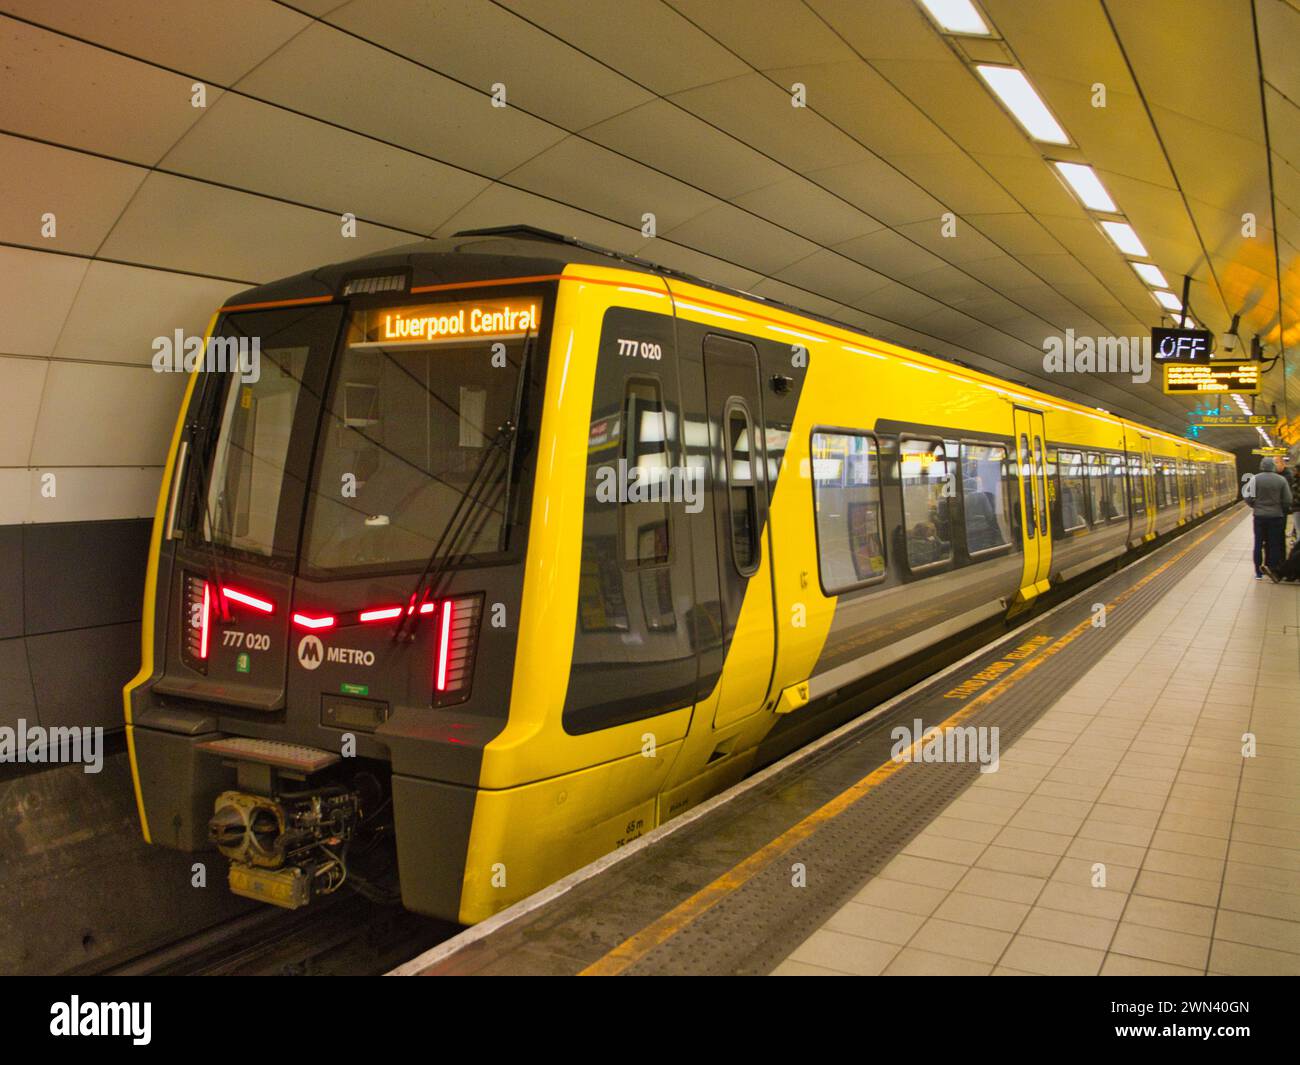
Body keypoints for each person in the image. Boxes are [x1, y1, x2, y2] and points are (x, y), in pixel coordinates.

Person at [1249, 458, 1292, 581]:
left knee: (1258, 543)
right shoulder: (1281, 480)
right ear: (1273, 466)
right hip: (1276, 517)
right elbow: (1288, 500)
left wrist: (1255, 506)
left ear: (1262, 466)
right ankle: (1272, 569)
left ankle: (1258, 572)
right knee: (1273, 544)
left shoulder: (1254, 479)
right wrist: (1280, 508)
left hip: (1259, 517)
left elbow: (1247, 497)